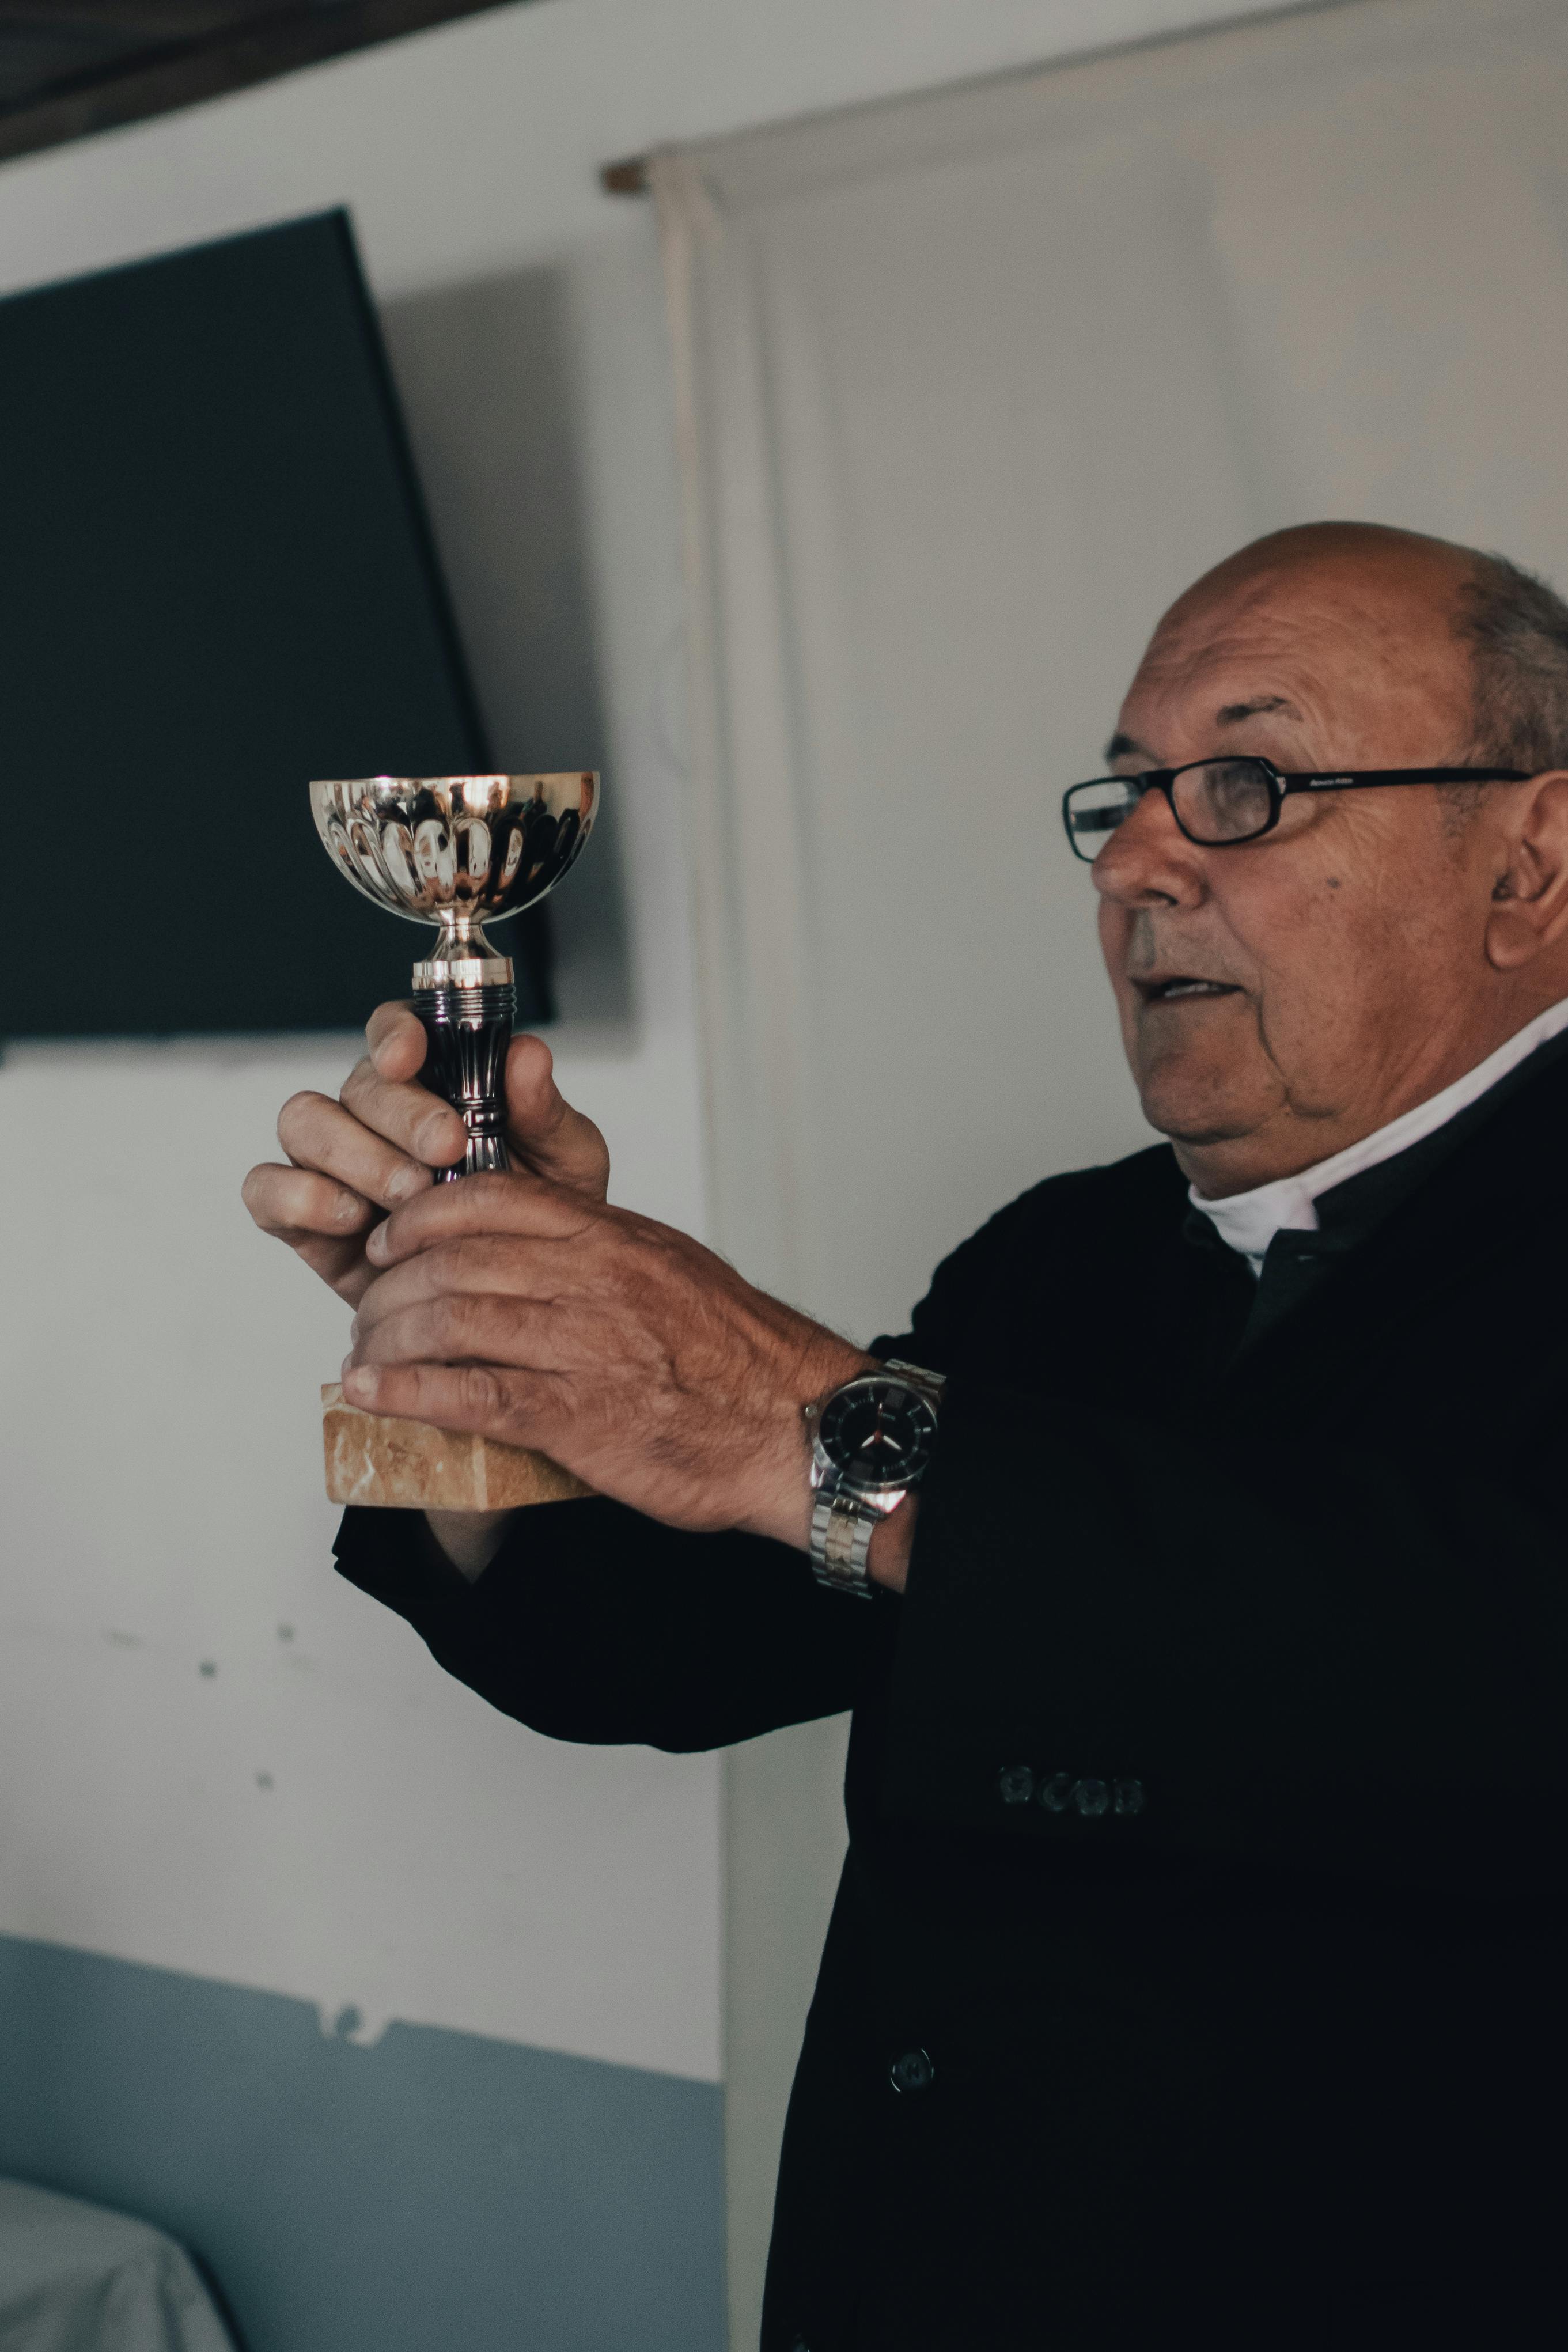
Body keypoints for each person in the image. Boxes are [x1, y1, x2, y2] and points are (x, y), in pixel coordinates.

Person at [243, 522, 1568, 2348]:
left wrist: (795, 1417)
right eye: (1122, 794)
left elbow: (1463, 1667)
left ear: (1531, 858)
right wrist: (490, 1357)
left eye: (1245, 787)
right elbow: (667, 1646)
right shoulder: (1063, 1255)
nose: (1133, 861)